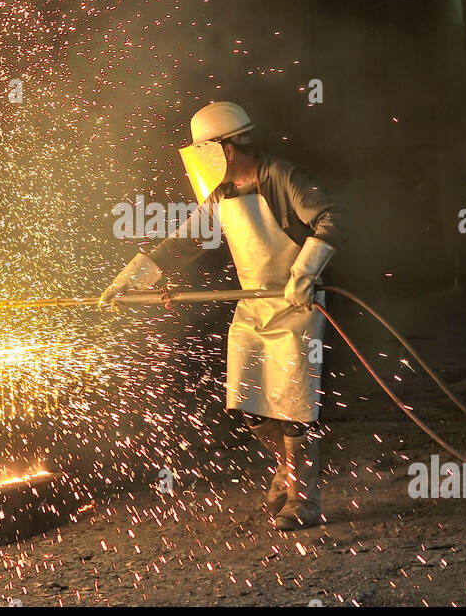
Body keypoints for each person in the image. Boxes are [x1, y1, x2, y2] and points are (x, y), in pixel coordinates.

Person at [100, 102, 346, 530]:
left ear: (226, 149)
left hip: (296, 305)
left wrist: (305, 273)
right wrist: (129, 279)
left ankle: (303, 501)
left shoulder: (281, 177)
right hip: (253, 304)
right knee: (251, 404)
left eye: (203, 149)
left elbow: (331, 218)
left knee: (293, 408)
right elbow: (183, 242)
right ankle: (287, 474)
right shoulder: (223, 192)